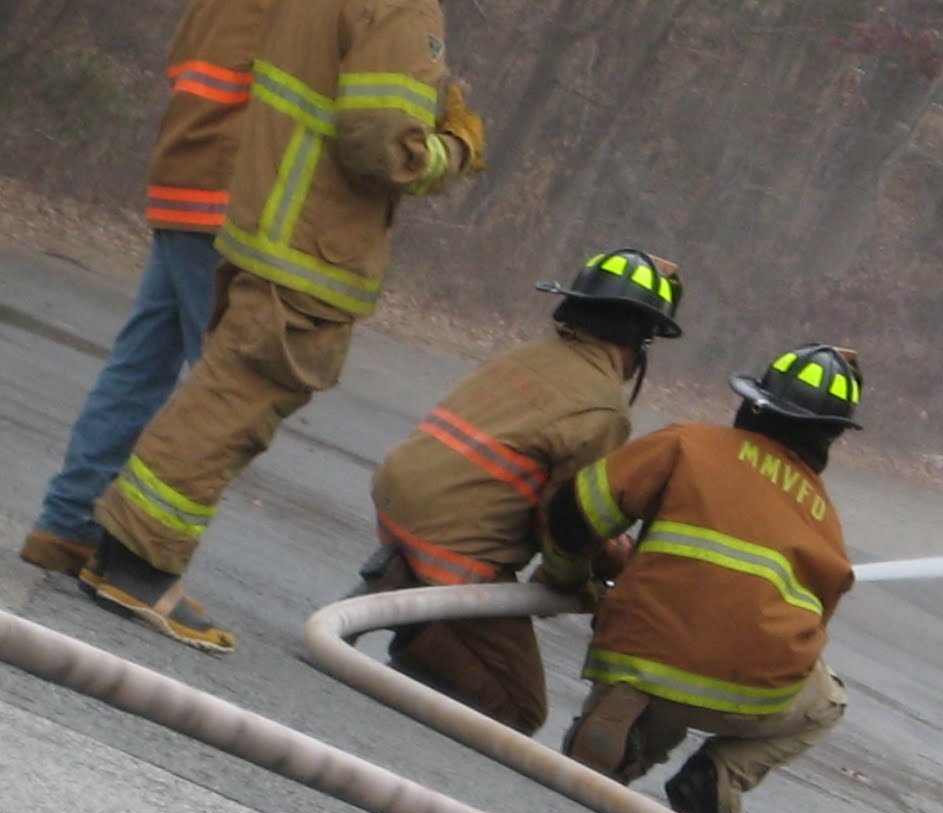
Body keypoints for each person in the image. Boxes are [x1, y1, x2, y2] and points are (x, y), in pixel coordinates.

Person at [81, 0, 489, 654]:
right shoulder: (402, 9)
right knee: (232, 406)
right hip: (312, 244)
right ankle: (139, 565)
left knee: (220, 388)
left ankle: (121, 554)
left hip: (268, 221)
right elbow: (379, 145)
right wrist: (455, 147)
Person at [540, 342, 864, 813]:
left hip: (641, 656)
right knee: (827, 701)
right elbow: (815, 625)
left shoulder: (687, 444)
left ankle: (622, 734)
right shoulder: (823, 516)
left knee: (657, 676)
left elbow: (575, 511)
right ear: (831, 437)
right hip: (750, 691)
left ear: (753, 403)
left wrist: (567, 580)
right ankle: (718, 779)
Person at [361, 247, 684, 735]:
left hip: (399, 495)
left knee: (478, 653)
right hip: (453, 543)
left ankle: (415, 611)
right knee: (518, 709)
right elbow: (565, 524)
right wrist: (575, 583)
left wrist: (607, 556)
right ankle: (411, 607)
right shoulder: (602, 410)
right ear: (638, 344)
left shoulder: (530, 355)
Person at [19, 0, 273, 577]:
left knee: (140, 366)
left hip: (186, 178)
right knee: (225, 394)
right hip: (232, 197)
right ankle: (138, 563)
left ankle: (66, 528)